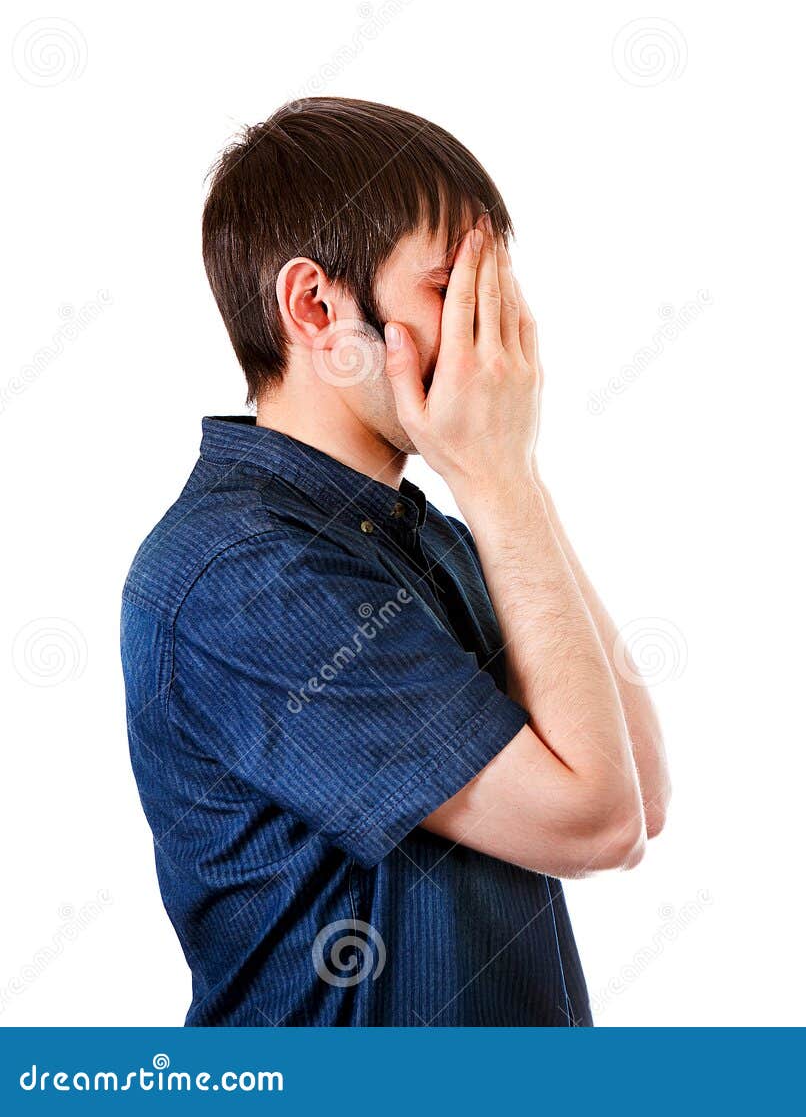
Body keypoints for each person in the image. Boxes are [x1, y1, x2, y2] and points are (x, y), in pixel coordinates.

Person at [120, 97, 668, 1026]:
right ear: (315, 305)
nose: (499, 339)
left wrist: (510, 481)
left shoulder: (434, 534)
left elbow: (643, 792)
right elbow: (595, 822)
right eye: (453, 289)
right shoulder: (246, 569)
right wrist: (497, 476)